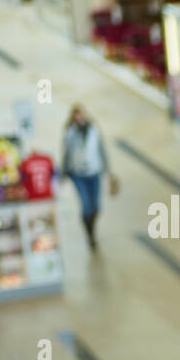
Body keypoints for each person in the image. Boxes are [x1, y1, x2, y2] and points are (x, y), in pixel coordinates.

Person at [61, 105, 113, 252]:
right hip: (79, 175)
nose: (80, 119)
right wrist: (64, 174)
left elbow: (102, 151)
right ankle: (90, 235)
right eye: (76, 117)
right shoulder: (70, 133)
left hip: (94, 173)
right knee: (86, 207)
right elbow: (66, 154)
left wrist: (109, 172)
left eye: (81, 116)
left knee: (96, 207)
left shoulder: (94, 130)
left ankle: (92, 227)